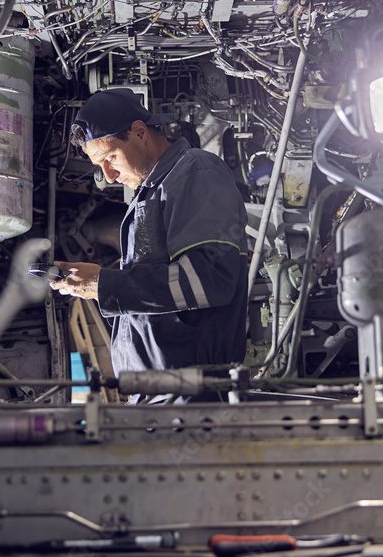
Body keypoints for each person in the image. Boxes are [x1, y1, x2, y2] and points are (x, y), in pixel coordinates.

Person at [51, 88, 248, 399]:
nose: (110, 176)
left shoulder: (195, 171)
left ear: (139, 132)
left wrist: (105, 286)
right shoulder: (154, 191)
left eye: (111, 157)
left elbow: (210, 279)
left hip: (191, 397)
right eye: (99, 165)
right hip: (153, 399)